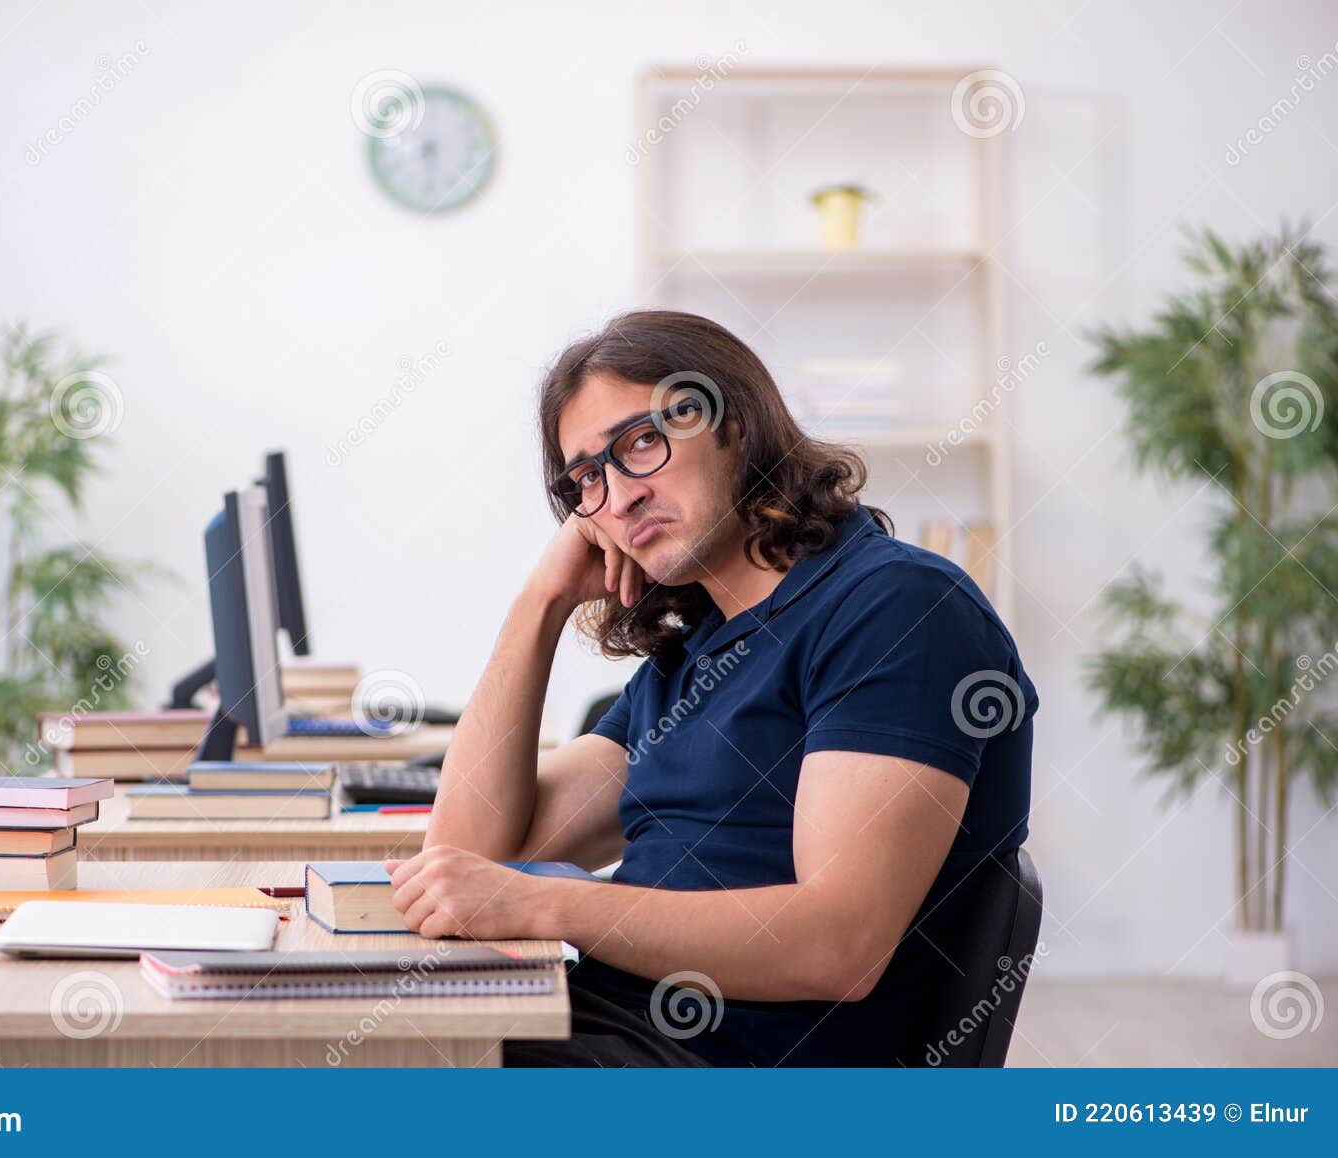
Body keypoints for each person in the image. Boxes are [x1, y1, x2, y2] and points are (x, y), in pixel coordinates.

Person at [386, 309, 1036, 1066]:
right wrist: (540, 605)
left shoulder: (896, 609)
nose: (618, 497)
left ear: (738, 423)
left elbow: (839, 945)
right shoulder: (697, 650)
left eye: (641, 443)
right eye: (586, 480)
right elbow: (470, 853)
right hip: (611, 1034)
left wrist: (543, 902)